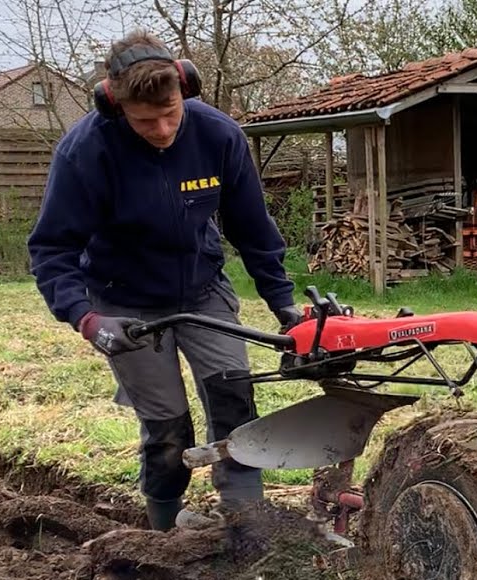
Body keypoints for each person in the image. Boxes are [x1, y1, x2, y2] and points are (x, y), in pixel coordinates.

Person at [27, 29, 303, 531]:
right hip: (124, 305)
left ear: (186, 89)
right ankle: (164, 527)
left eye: (171, 112)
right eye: (144, 119)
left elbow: (252, 227)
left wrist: (283, 303)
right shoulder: (86, 151)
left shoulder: (217, 134)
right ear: (115, 106)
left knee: (234, 401)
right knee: (168, 429)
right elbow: (51, 249)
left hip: (203, 292)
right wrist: (87, 320)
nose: (161, 128)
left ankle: (247, 522)